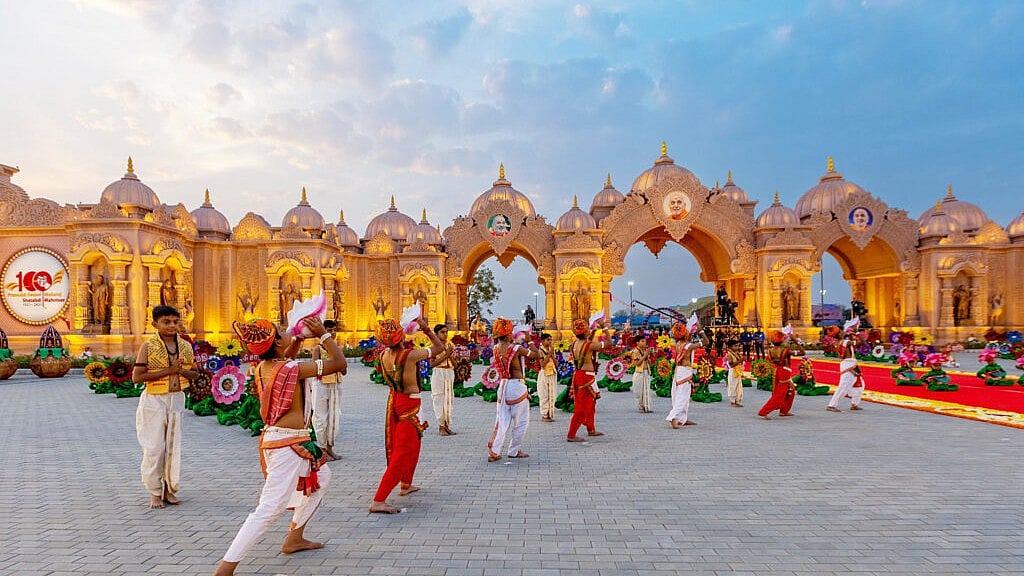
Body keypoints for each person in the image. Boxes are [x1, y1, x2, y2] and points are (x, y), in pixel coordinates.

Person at [213, 315, 347, 576]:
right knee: (268, 509)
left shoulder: (264, 367)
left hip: (285, 439)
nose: (288, 331)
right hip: (287, 443)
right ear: (275, 343)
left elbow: (286, 362)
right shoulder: (291, 369)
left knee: (322, 478)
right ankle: (225, 568)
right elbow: (340, 364)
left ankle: (294, 538)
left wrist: (296, 340)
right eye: (281, 331)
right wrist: (324, 335)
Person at [370, 316, 444, 513]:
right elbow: (439, 348)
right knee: (402, 454)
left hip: (397, 401)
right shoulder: (409, 355)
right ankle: (378, 500)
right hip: (409, 405)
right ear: (401, 336)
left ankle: (406, 484)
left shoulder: (383, 355)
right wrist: (426, 329)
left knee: (414, 446)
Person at [131, 305, 198, 509]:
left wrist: (181, 371)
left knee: (172, 447)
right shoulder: (148, 346)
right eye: (166, 322)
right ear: (155, 324)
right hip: (154, 400)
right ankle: (154, 492)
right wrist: (170, 370)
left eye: (175, 322)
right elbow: (137, 377)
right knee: (154, 448)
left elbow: (195, 374)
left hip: (176, 399)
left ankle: (169, 490)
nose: (172, 325)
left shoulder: (185, 346)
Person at [488, 318, 542, 461]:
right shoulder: (517, 349)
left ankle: (494, 451)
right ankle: (514, 450)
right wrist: (530, 341)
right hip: (516, 387)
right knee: (521, 420)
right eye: (511, 333)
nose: (513, 335)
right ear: (507, 335)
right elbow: (537, 355)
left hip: (503, 386)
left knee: (501, 420)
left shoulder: (495, 348)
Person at [567, 318, 609, 441]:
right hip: (586, 377)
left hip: (578, 375)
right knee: (582, 407)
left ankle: (591, 429)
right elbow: (609, 344)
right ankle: (571, 435)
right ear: (585, 332)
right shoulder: (589, 345)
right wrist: (604, 328)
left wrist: (594, 330)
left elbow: (588, 340)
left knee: (590, 404)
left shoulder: (574, 344)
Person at [311, 320, 347, 461]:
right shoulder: (317, 349)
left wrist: (339, 361)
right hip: (321, 385)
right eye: (329, 330)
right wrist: (333, 365)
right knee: (321, 418)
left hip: (336, 384)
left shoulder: (337, 350)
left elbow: (344, 370)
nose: (332, 333)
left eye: (334, 330)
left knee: (334, 416)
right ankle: (321, 450)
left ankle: (330, 447)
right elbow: (315, 370)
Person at [758, 330, 804, 419]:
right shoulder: (785, 351)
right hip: (784, 372)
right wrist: (796, 342)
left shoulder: (770, 351)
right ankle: (763, 412)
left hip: (777, 370)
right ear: (782, 341)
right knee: (779, 394)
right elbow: (802, 353)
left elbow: (770, 361)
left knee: (790, 391)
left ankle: (784, 411)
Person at [665, 322, 702, 428]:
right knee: (683, 396)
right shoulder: (689, 346)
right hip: (685, 371)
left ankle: (682, 419)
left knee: (680, 394)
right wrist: (701, 331)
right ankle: (673, 417)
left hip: (679, 371)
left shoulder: (678, 344)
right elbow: (706, 342)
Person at [828, 323, 865, 412]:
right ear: (839, 334)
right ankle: (831, 405)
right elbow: (862, 343)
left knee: (860, 384)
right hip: (849, 364)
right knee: (844, 386)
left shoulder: (836, 342)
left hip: (849, 363)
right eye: (841, 331)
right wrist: (857, 333)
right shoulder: (846, 342)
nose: (843, 332)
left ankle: (854, 404)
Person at [429, 324, 457, 436]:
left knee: (449, 399)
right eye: (442, 332)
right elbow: (432, 364)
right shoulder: (433, 347)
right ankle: (441, 426)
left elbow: (455, 364)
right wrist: (446, 355)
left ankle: (447, 425)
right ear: (436, 334)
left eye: (446, 332)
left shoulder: (450, 345)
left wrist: (450, 355)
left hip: (449, 372)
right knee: (439, 398)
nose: (445, 334)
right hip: (439, 373)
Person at [536, 333, 558, 422]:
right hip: (544, 373)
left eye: (551, 340)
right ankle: (544, 415)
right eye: (548, 340)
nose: (550, 342)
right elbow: (542, 364)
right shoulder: (540, 351)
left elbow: (557, 364)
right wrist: (549, 354)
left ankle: (550, 414)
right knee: (544, 395)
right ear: (542, 341)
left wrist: (552, 354)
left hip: (552, 373)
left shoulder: (552, 350)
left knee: (552, 394)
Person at [631, 335, 653, 413]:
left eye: (645, 341)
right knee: (639, 391)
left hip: (646, 372)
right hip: (639, 372)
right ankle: (641, 407)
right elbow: (637, 363)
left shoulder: (645, 350)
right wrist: (645, 356)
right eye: (642, 341)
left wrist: (648, 356)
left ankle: (647, 407)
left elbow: (650, 362)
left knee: (647, 390)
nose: (644, 343)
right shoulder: (635, 351)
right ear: (637, 342)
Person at [725, 339, 744, 407]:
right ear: (730, 347)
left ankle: (736, 401)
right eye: (735, 346)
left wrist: (740, 358)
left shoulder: (736, 353)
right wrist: (740, 360)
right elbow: (731, 365)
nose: (737, 347)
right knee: (733, 386)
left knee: (738, 386)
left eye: (738, 346)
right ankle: (732, 402)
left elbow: (740, 362)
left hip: (738, 372)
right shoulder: (729, 355)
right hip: (733, 372)